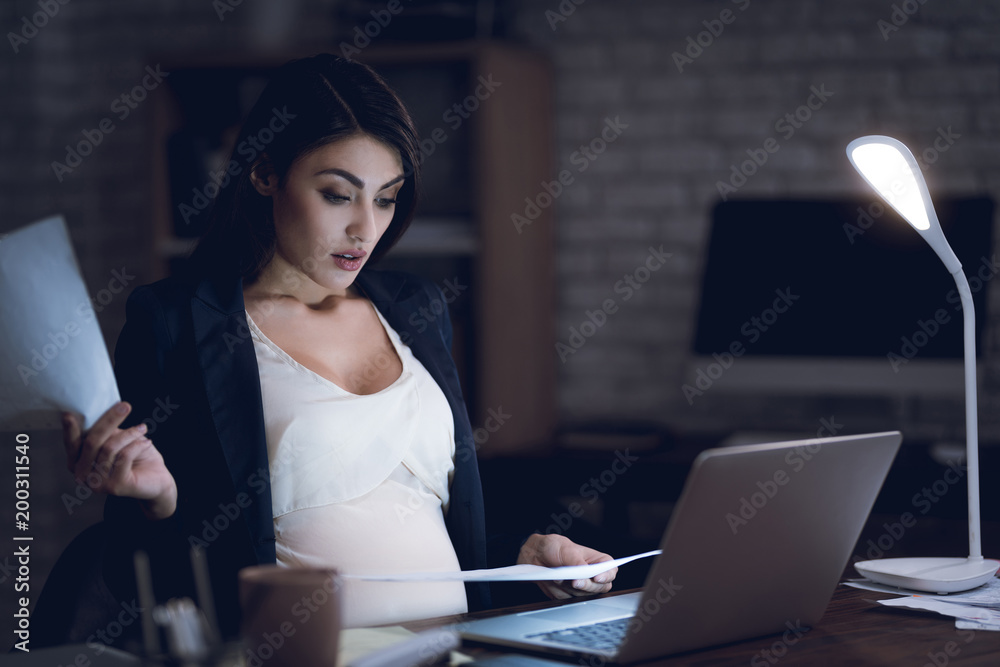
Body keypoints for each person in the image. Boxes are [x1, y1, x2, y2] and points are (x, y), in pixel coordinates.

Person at [61, 54, 616, 638]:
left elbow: (424, 524)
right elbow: (137, 574)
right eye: (336, 194)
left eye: (385, 197)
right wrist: (158, 502)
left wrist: (525, 556)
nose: (365, 229)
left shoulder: (416, 308)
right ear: (265, 174)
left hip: (460, 652)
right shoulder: (177, 323)